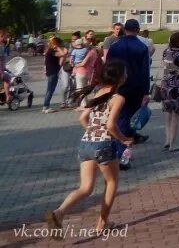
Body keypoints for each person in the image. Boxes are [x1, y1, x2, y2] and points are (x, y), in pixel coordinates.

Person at [43, 60, 132, 235]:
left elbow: (83, 118)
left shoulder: (97, 93)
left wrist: (93, 132)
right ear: (120, 78)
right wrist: (124, 140)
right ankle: (101, 224)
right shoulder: (118, 98)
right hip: (103, 145)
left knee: (85, 188)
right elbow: (111, 125)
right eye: (125, 72)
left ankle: (58, 213)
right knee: (111, 182)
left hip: (86, 143)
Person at [105, 19, 151, 162]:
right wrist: (146, 92)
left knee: (118, 118)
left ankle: (115, 150)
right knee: (130, 121)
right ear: (137, 29)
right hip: (135, 88)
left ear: (125, 29)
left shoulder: (115, 46)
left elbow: (108, 66)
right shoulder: (142, 47)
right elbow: (145, 71)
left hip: (117, 87)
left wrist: (107, 86)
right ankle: (123, 155)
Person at [42, 37, 68, 114]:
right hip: (52, 72)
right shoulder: (51, 51)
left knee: (50, 89)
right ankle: (45, 106)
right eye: (58, 44)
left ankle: (46, 106)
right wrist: (59, 48)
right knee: (50, 90)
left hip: (52, 72)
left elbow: (61, 59)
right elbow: (63, 53)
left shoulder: (50, 51)